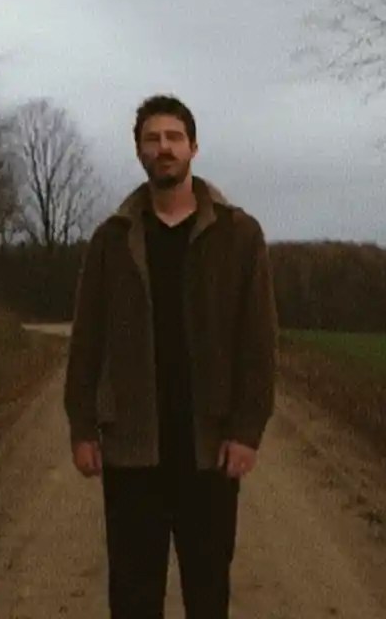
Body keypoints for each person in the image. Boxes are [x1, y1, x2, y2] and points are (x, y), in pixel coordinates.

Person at [64, 94, 279, 618]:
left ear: (193, 148)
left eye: (174, 137)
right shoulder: (112, 240)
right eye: (153, 138)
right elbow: (87, 339)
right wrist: (82, 426)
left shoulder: (238, 235)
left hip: (209, 450)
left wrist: (247, 430)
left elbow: (258, 342)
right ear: (139, 151)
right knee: (133, 597)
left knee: (207, 593)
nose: (164, 147)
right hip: (132, 450)